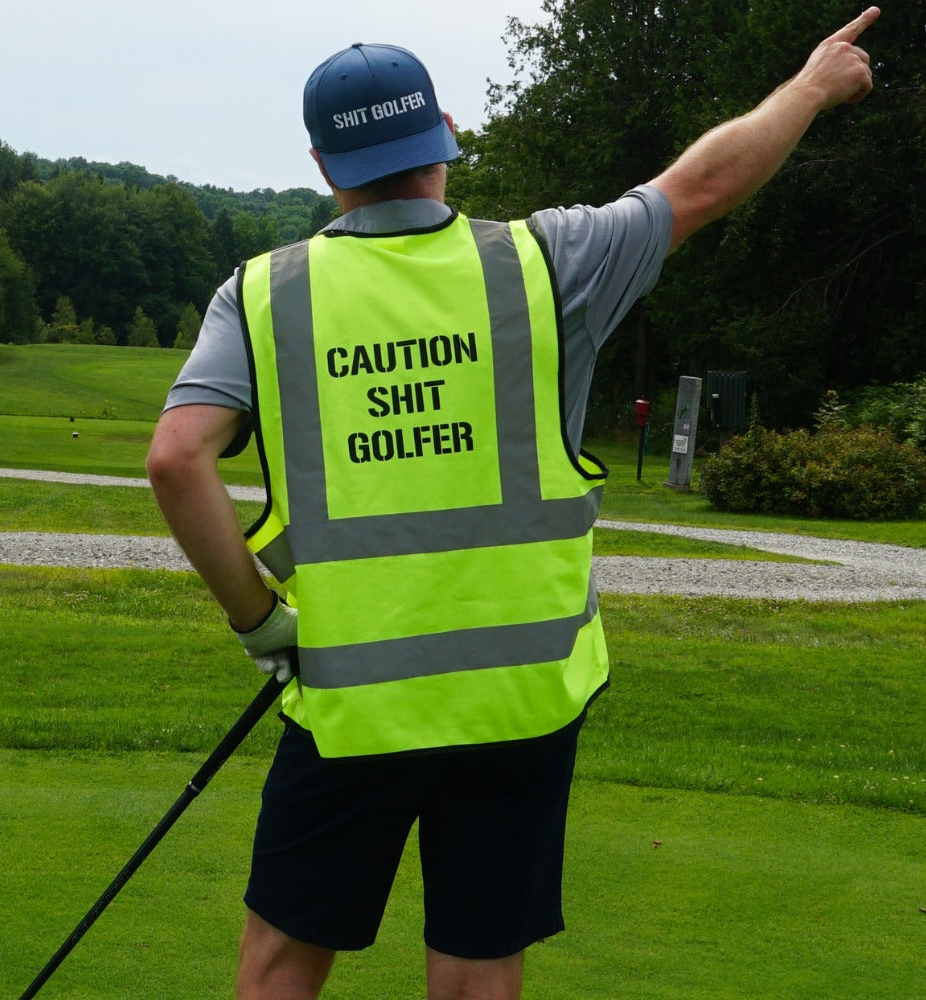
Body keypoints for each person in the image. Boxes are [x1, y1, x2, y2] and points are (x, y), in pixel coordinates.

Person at [147, 10, 878, 999]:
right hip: (520, 699)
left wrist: (257, 621)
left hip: (350, 700)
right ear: (445, 135)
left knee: (280, 961)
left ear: (324, 165)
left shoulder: (266, 293)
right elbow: (702, 185)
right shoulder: (545, 263)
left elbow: (176, 459)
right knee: (477, 968)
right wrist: (811, 85)